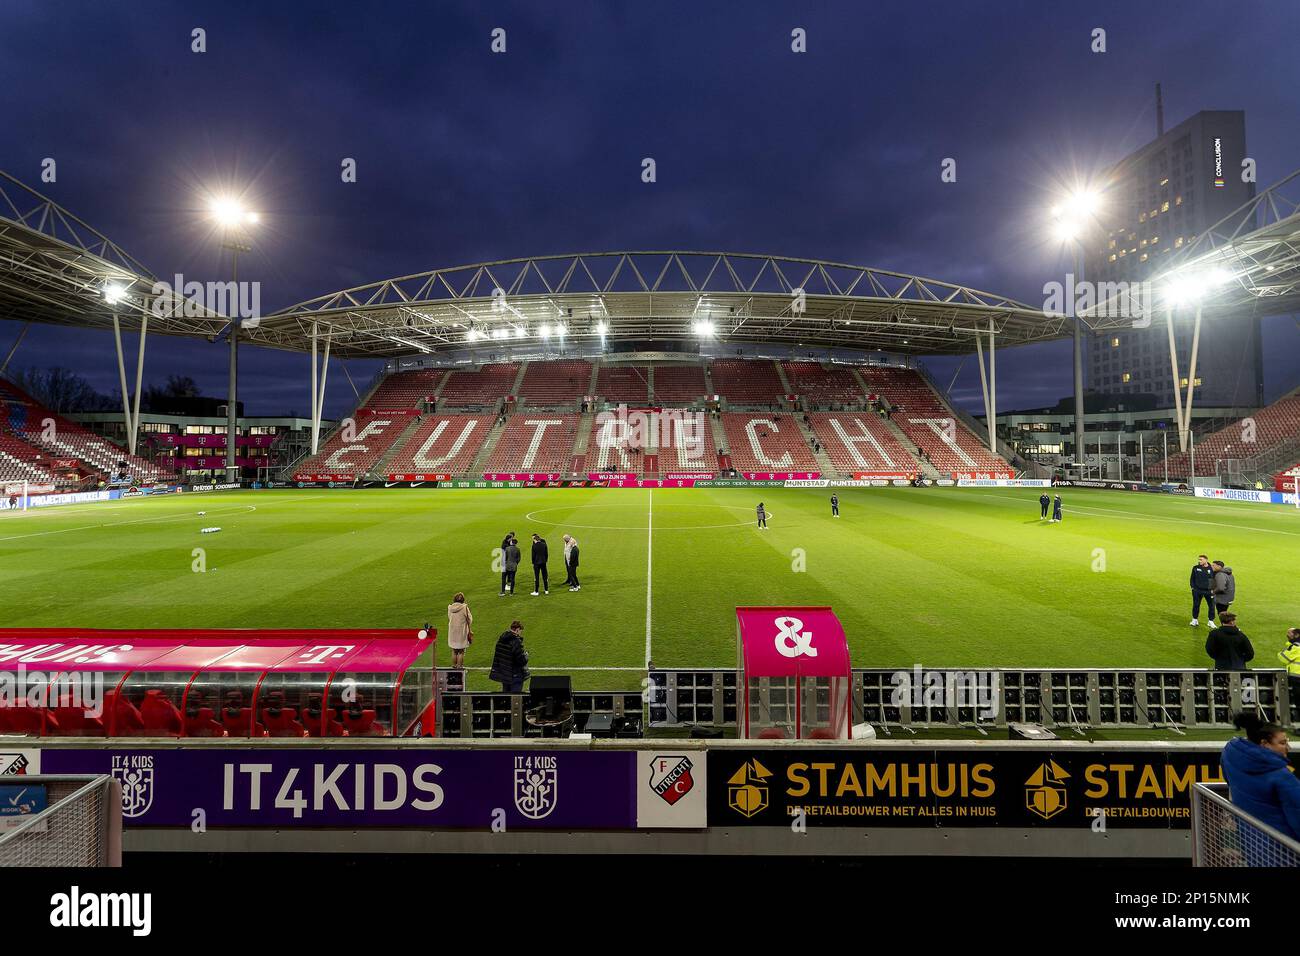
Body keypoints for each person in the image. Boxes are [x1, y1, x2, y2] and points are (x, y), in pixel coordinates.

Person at [1220, 711, 1300, 844]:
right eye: (1282, 743)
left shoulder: (1230, 755)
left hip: (1251, 846)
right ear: (1264, 744)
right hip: (1285, 852)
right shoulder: (1282, 776)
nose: (1288, 747)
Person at [488, 620, 530, 693]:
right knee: (515, 699)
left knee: (506, 698)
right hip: (516, 675)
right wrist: (526, 655)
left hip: (505, 674)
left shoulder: (501, 640)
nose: (520, 634)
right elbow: (521, 660)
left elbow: (499, 655)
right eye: (520, 631)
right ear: (517, 630)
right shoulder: (516, 641)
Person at [446, 592, 473, 669]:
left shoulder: (450, 608)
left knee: (454, 650)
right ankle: (459, 666)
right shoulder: (464, 607)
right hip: (462, 631)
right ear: (463, 600)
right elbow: (470, 619)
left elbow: (449, 617)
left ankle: (454, 666)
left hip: (452, 631)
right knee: (461, 651)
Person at [1189, 553, 1216, 627]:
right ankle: (1194, 620)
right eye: (1199, 559)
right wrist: (1192, 587)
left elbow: (1213, 580)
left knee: (1211, 606)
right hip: (1197, 590)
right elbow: (1192, 578)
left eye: (1201, 559)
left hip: (1208, 591)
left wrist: (1212, 589)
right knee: (1196, 605)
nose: (1199, 561)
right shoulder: (1195, 567)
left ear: (1206, 560)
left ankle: (1211, 621)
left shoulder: (1212, 568)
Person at [1277, 628, 1300, 699]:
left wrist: (1288, 647)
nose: (1287, 635)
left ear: (1296, 635)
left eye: (1289, 633)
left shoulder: (1296, 647)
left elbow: (1282, 657)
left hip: (1297, 677)